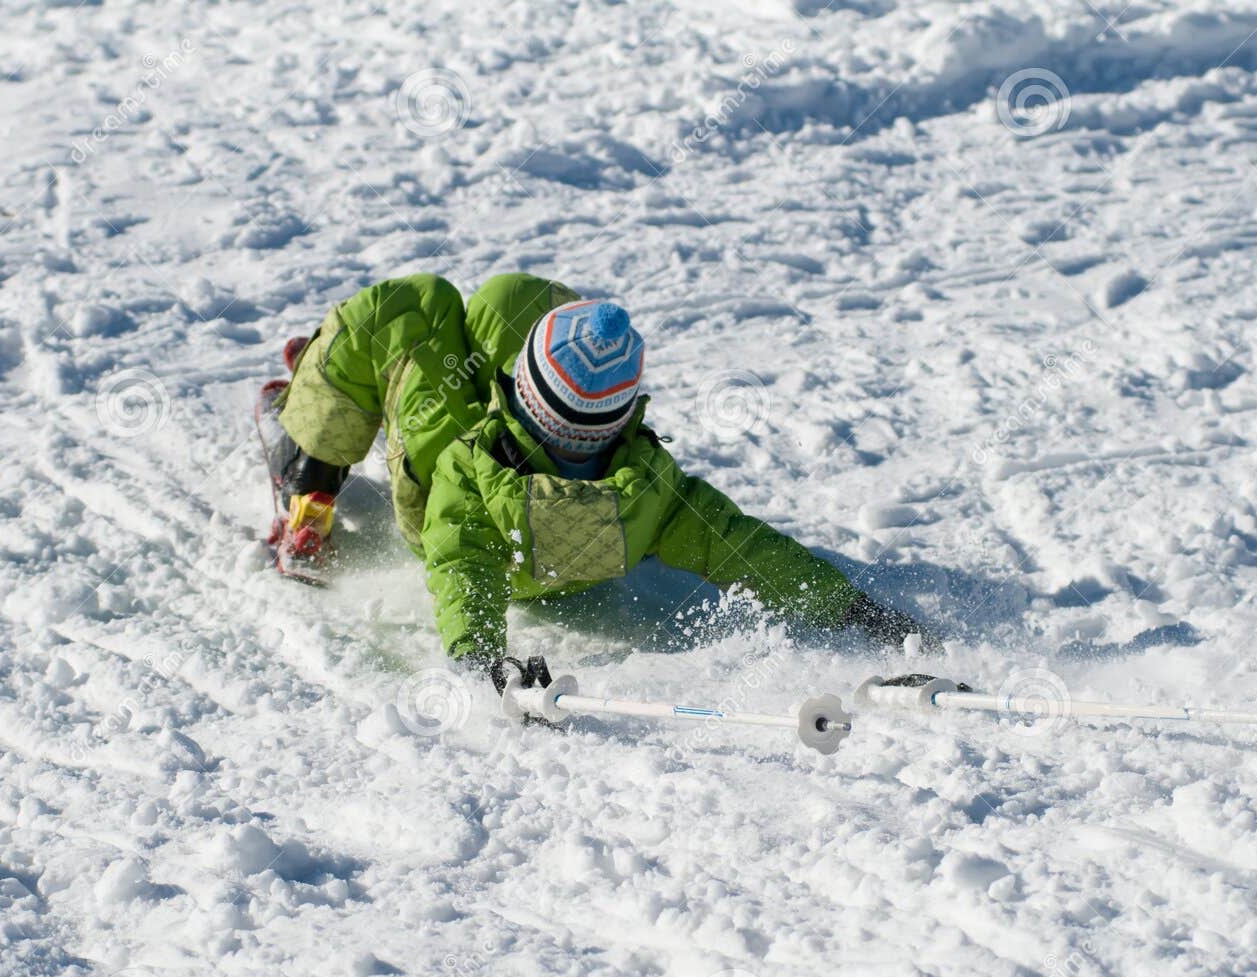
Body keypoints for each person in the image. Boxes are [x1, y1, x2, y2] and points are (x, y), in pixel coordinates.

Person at [255, 272, 930, 696]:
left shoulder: (466, 467)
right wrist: (849, 607)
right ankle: (563, 371)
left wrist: (480, 658)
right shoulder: (653, 488)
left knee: (411, 310)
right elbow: (744, 545)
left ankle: (308, 466)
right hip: (569, 545)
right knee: (509, 301)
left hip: (451, 510)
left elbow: (460, 561)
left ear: (519, 391)